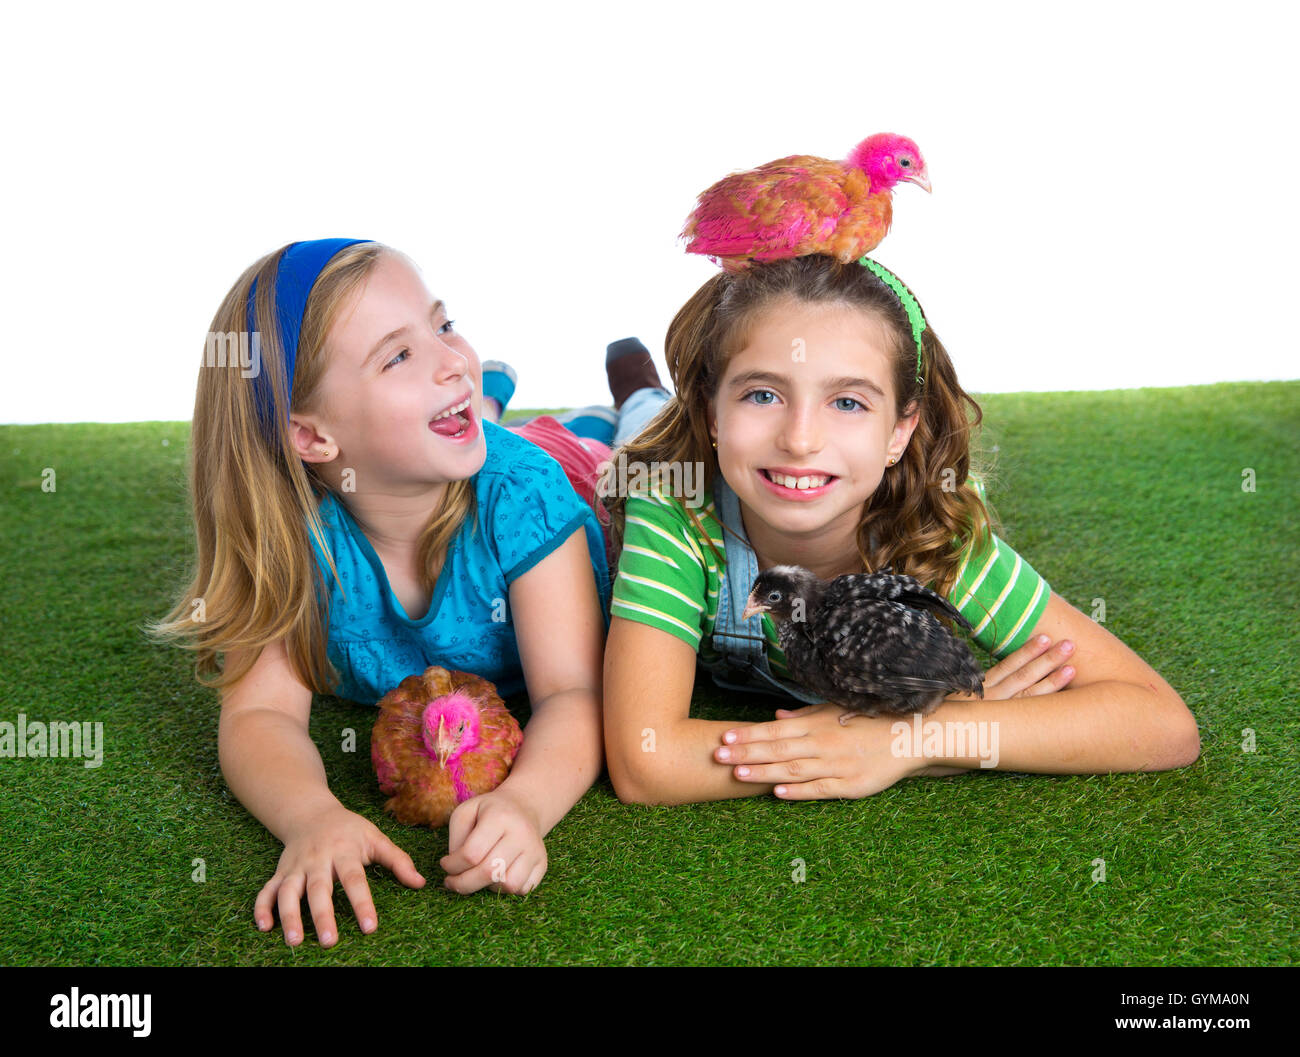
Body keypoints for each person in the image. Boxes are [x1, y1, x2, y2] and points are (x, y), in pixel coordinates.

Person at [147, 238, 630, 947]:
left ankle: (609, 402)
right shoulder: (292, 533)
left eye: (443, 324)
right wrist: (311, 815)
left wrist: (527, 802)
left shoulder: (523, 497)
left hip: (565, 471)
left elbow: (572, 693)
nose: (448, 357)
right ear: (310, 435)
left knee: (614, 450)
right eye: (398, 356)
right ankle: (492, 399)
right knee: (471, 416)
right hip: (458, 439)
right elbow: (259, 716)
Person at [601, 253, 1201, 805]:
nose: (800, 440)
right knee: (624, 435)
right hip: (644, 453)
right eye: (762, 394)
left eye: (848, 403)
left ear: (899, 432)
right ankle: (635, 390)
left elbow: (1159, 723)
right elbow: (645, 761)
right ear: (711, 408)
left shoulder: (933, 532)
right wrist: (958, 731)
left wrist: (912, 739)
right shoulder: (672, 508)